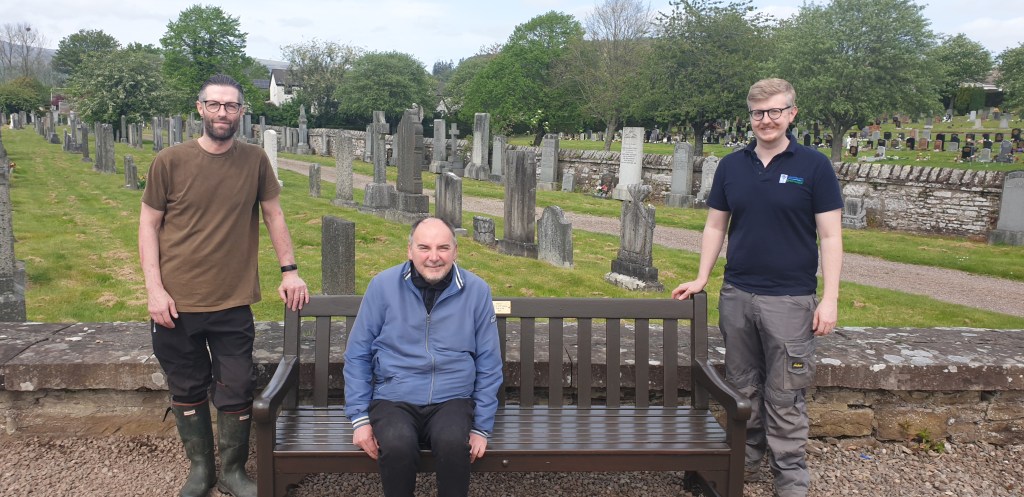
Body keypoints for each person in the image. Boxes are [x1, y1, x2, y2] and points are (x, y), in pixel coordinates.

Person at [671, 78, 843, 497]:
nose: (766, 120)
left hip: (790, 298)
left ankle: (790, 475)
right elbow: (716, 225)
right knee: (741, 386)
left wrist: (831, 298)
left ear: (792, 114)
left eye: (775, 111)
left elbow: (831, 236)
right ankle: (743, 457)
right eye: (758, 113)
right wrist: (702, 277)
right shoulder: (731, 166)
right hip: (738, 295)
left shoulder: (814, 166)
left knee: (785, 392)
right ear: (750, 117)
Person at [139, 74, 308, 497]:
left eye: (231, 106)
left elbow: (273, 214)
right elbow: (148, 224)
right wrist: (154, 290)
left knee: (235, 387)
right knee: (187, 387)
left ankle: (233, 471)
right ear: (200, 109)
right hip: (176, 303)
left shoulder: (254, 161)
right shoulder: (170, 161)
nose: (222, 113)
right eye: (214, 105)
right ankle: (201, 471)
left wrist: (290, 270)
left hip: (233, 301)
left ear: (241, 113)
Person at [344, 217, 503, 497]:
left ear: (455, 251)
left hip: (452, 397)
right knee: (396, 444)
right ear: (409, 250)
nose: (433, 257)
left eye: (443, 248)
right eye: (424, 247)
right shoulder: (382, 286)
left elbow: (489, 363)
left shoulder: (477, 291)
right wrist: (360, 418)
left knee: (454, 443)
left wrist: (481, 427)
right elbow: (358, 353)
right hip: (395, 395)